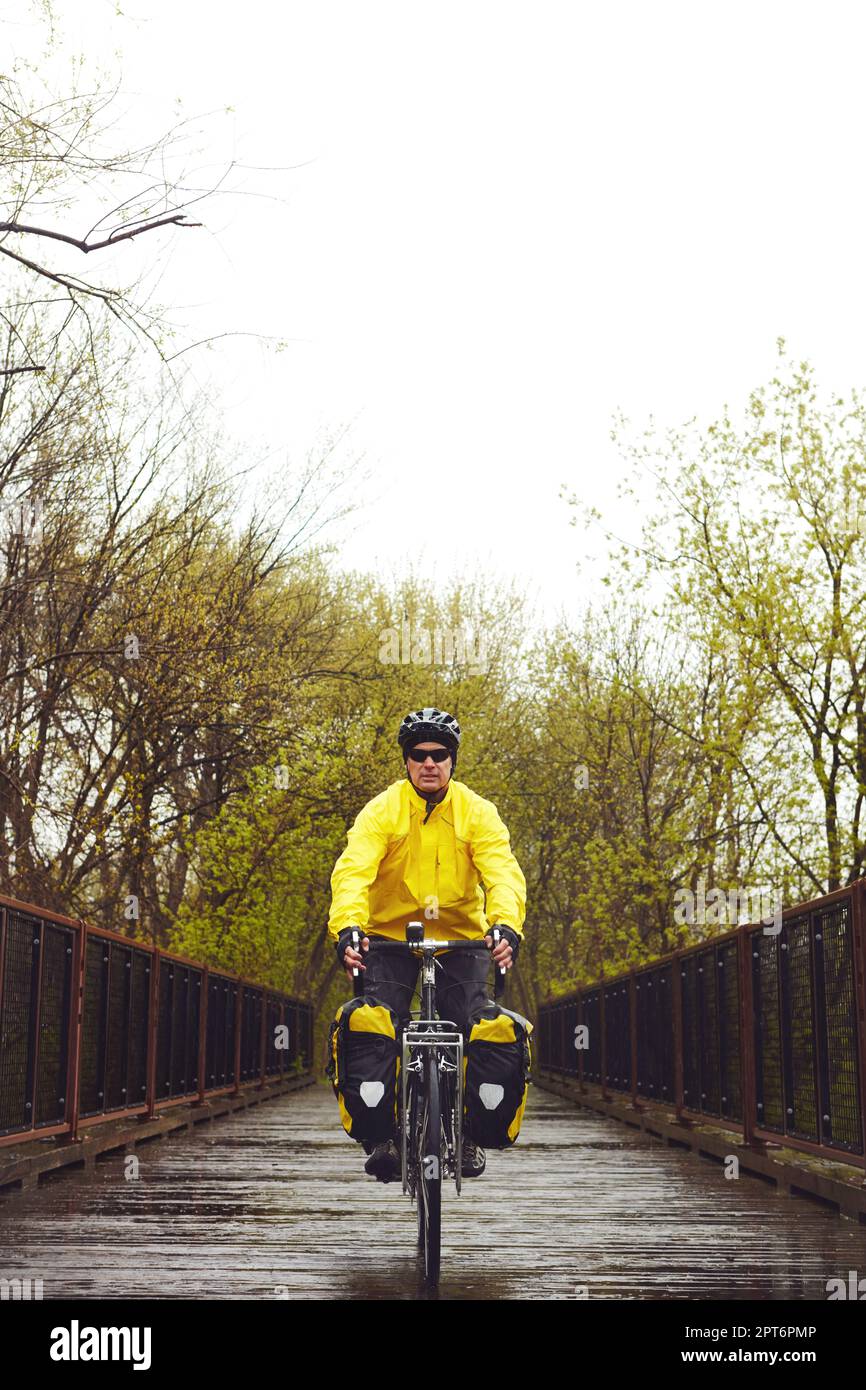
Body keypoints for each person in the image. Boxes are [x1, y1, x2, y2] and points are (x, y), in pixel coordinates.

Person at [327, 706, 527, 1183]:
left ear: (453, 761)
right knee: (378, 1020)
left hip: (462, 938)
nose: (429, 763)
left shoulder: (477, 812)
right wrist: (349, 928)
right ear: (406, 762)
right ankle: (386, 1137)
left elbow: (502, 873)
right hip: (389, 938)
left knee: (476, 1022)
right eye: (419, 755)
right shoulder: (383, 810)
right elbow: (353, 870)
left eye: (440, 755)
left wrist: (504, 926)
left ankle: (470, 1133)